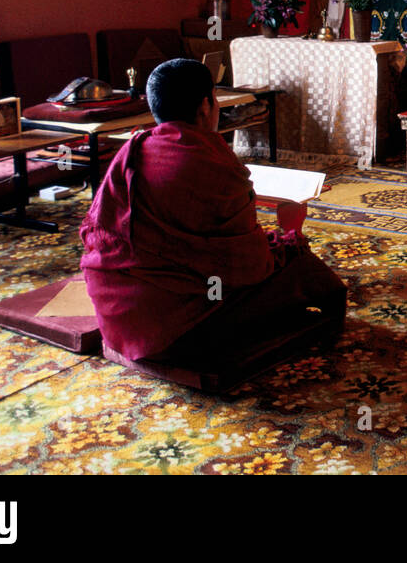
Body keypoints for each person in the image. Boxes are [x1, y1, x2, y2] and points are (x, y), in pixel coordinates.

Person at [80, 59, 346, 368]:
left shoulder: (132, 151)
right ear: (206, 106)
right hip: (177, 334)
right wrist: (289, 236)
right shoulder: (213, 163)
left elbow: (97, 234)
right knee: (306, 271)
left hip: (120, 318)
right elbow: (249, 266)